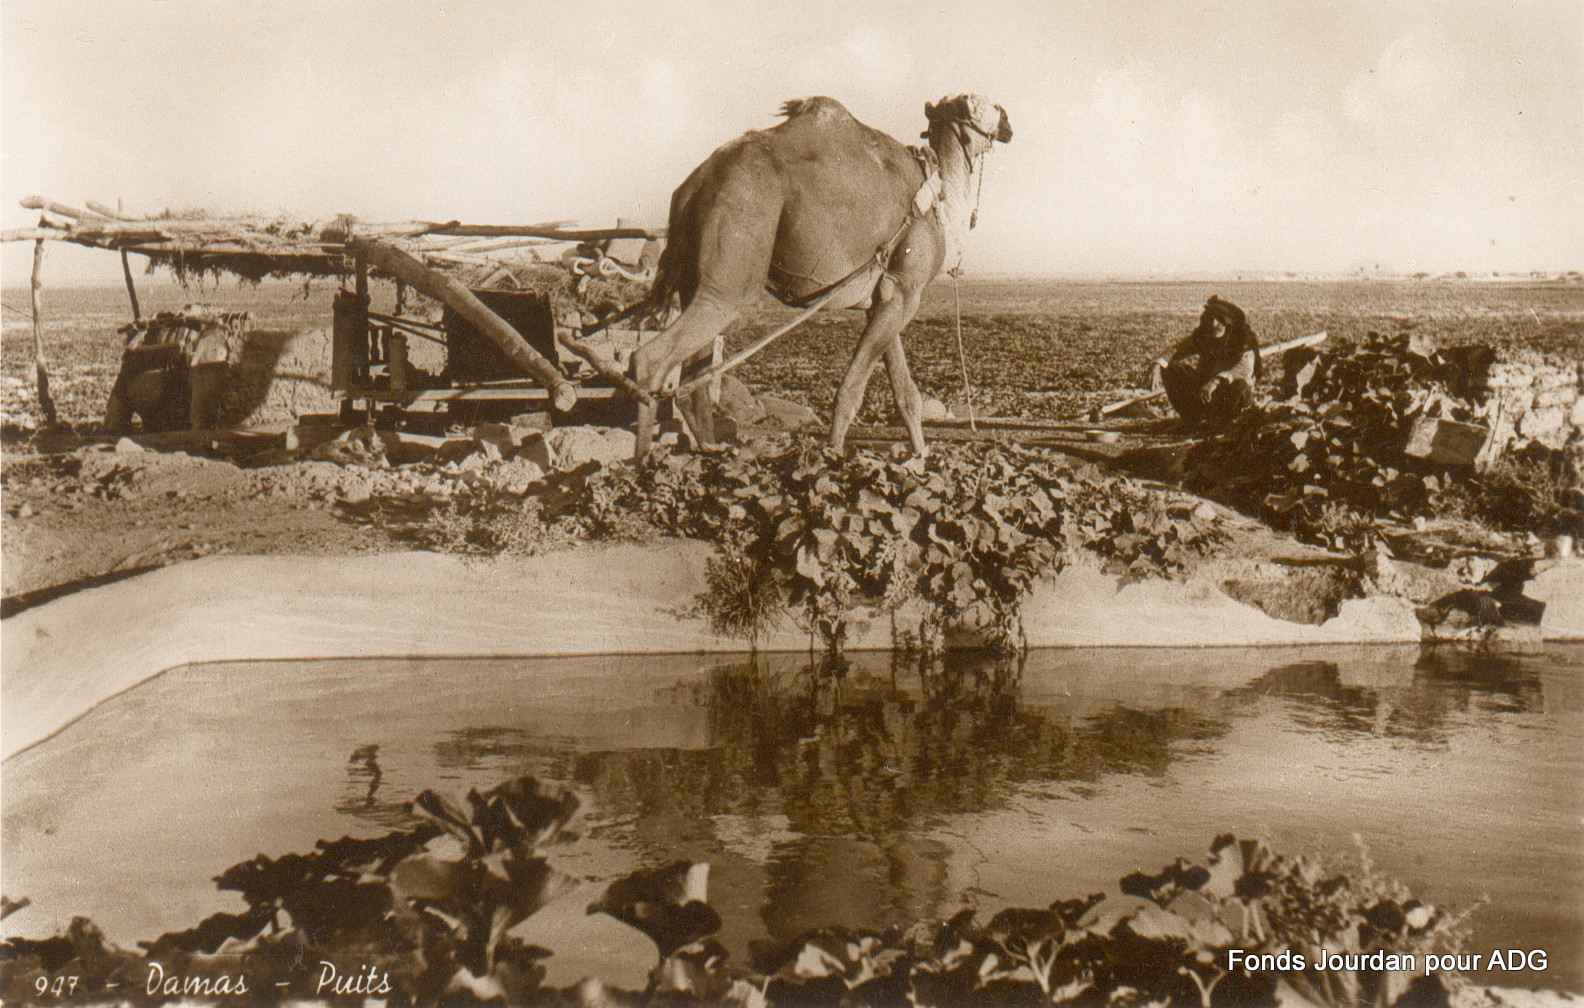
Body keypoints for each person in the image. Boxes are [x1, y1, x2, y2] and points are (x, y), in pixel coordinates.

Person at [1148, 295, 1260, 426]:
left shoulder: (1242, 340)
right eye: (1211, 320)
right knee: (1170, 369)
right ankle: (1193, 420)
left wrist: (1216, 381)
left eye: (1220, 321)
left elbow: (1244, 369)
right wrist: (1156, 366)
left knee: (1240, 386)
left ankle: (1222, 424)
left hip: (1227, 393)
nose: (1214, 325)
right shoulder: (1204, 336)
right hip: (1205, 392)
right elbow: (1178, 349)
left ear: (1228, 322)